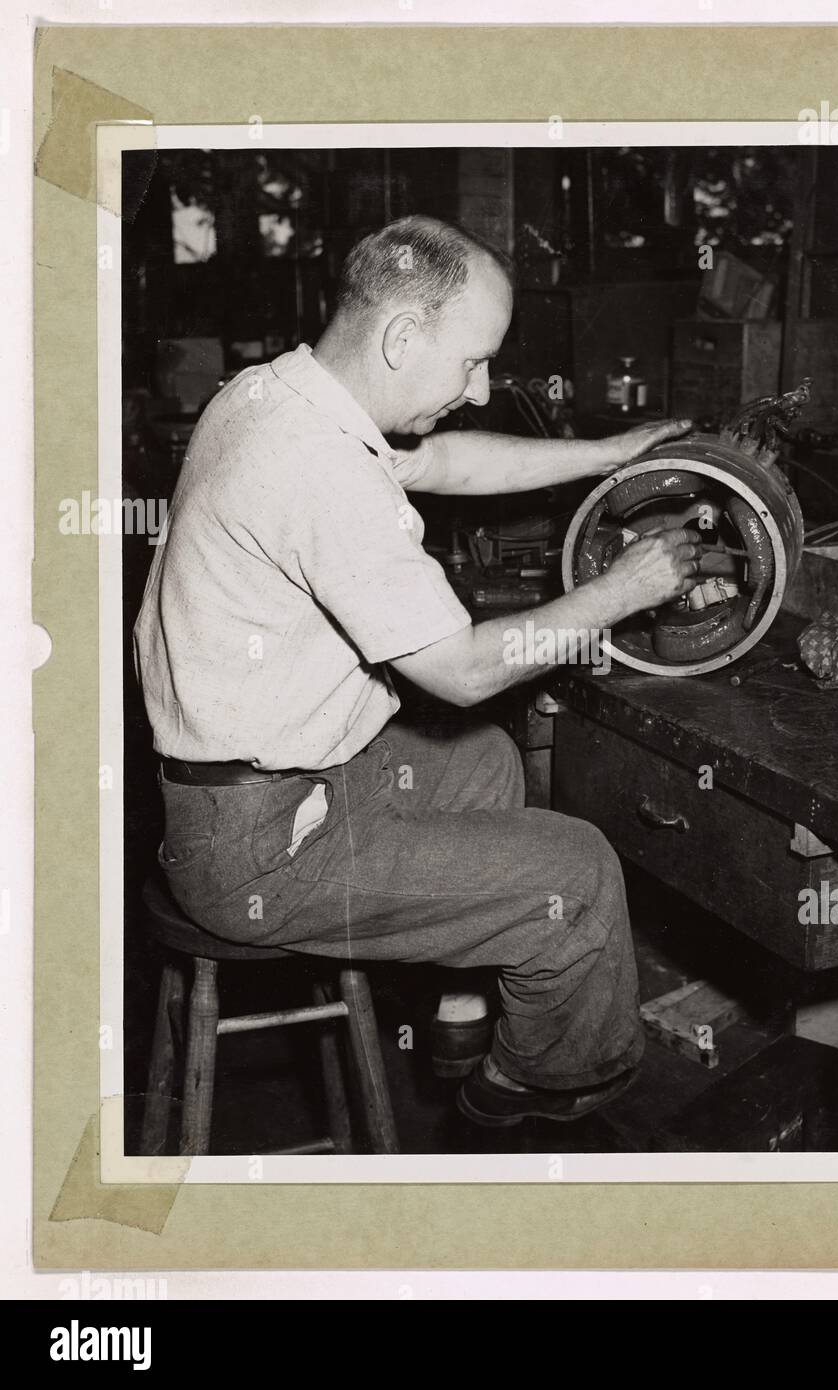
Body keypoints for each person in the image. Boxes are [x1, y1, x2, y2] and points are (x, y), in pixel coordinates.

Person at [134, 214, 701, 1127]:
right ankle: (537, 1079)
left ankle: (459, 1006)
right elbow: (468, 671)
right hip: (254, 850)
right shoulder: (318, 470)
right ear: (402, 337)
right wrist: (620, 590)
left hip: (257, 787)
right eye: (472, 362)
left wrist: (609, 453)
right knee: (581, 870)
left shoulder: (276, 394)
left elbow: (444, 462)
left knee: (480, 759)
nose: (479, 392)